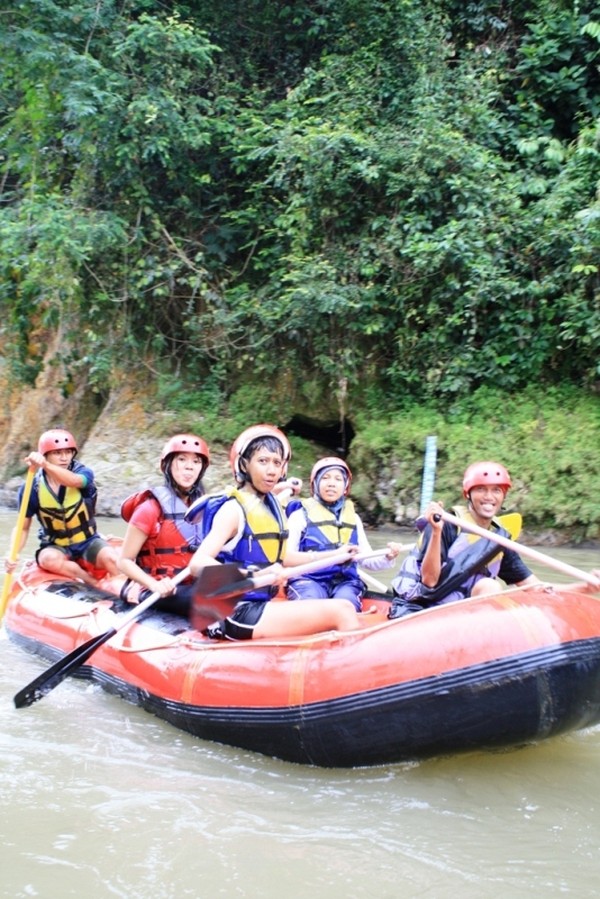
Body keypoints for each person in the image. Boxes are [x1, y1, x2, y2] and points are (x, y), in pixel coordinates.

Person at [187, 424, 361, 640]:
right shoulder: (233, 510)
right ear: (244, 464)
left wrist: (336, 554)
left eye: (277, 463)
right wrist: (253, 574)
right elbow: (197, 564)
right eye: (263, 461)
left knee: (335, 610)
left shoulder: (271, 507)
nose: (271, 470)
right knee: (343, 610)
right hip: (232, 610)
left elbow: (284, 557)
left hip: (258, 603)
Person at [389, 460, 540, 618]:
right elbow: (429, 581)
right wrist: (436, 532)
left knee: (490, 586)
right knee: (490, 586)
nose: (489, 497)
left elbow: (531, 584)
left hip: (462, 615)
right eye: (481, 489)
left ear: (503, 496)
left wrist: (555, 591)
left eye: (496, 490)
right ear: (468, 494)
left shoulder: (498, 538)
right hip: (420, 606)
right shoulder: (447, 524)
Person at [4, 427, 119, 586]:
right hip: (56, 545)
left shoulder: (84, 473)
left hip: (88, 540)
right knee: (47, 559)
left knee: (112, 559)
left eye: (68, 452)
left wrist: (45, 465)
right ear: (45, 455)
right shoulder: (32, 488)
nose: (64, 458)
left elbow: (74, 481)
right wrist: (13, 553)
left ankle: (123, 590)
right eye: (57, 453)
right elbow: (22, 528)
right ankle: (91, 582)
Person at [284, 456, 401, 610]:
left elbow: (367, 560)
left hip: (345, 582)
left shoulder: (354, 519)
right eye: (325, 478)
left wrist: (388, 556)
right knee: (310, 607)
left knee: (346, 605)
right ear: (315, 483)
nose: (331, 483)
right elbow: (285, 558)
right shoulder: (299, 516)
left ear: (345, 486)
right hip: (308, 580)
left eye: (338, 479)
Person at [117, 433, 211, 616]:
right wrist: (154, 585)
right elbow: (123, 561)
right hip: (156, 589)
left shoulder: (203, 507)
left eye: (196, 461)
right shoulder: (149, 509)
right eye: (182, 459)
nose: (189, 466)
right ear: (167, 465)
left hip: (191, 583)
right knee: (210, 599)